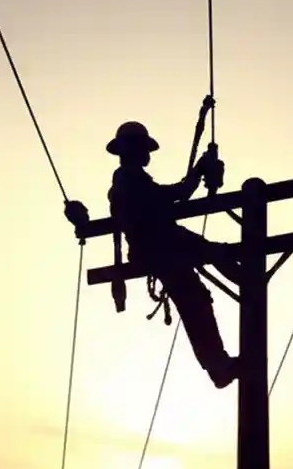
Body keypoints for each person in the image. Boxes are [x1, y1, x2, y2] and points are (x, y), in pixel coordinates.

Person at [99, 119, 240, 388]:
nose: (147, 154)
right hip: (160, 249)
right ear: (132, 150)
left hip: (163, 247)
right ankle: (218, 365)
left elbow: (173, 195)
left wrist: (198, 171)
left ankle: (218, 363)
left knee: (198, 294)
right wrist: (198, 170)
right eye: (143, 148)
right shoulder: (128, 180)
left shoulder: (130, 180)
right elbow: (175, 195)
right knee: (195, 302)